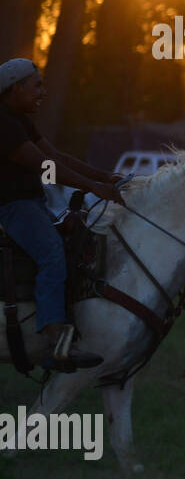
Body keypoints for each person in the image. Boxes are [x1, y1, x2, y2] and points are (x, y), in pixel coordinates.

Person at [0, 57, 125, 371]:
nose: (43, 92)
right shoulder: (4, 123)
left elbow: (55, 156)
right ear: (15, 88)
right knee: (52, 253)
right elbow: (47, 168)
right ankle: (55, 340)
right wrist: (94, 188)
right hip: (14, 209)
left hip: (32, 205)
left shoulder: (20, 120)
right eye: (37, 85)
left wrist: (104, 176)